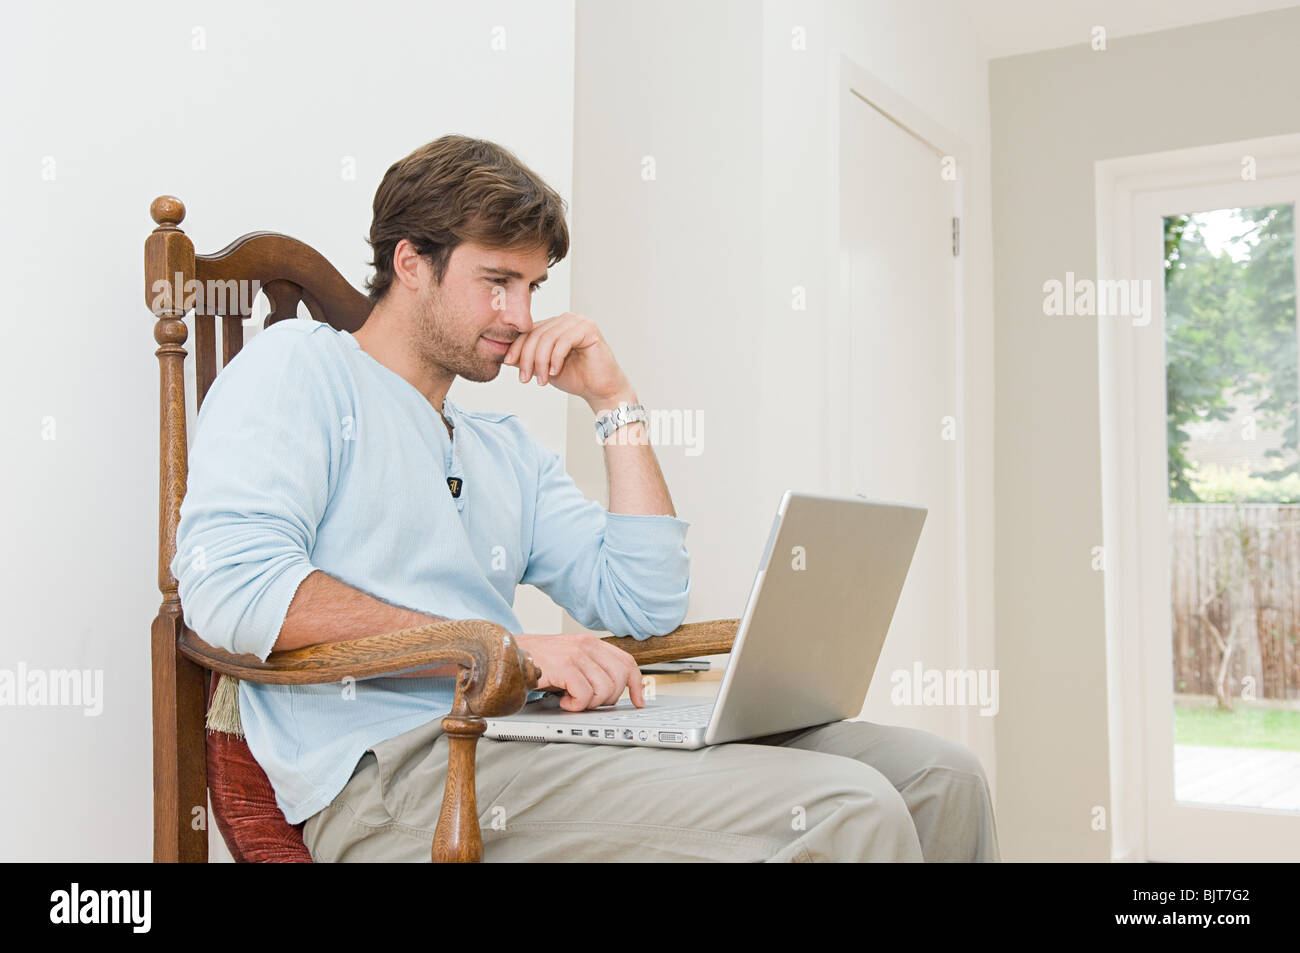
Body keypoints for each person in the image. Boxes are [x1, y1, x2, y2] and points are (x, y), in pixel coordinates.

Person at [172, 134, 1000, 862]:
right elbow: (231, 587)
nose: (521, 315)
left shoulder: (502, 447)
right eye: (498, 281)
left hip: (521, 739)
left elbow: (644, 601)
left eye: (533, 286)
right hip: (401, 776)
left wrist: (615, 403)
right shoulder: (301, 370)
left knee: (940, 778)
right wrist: (513, 646)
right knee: (843, 811)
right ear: (411, 262)